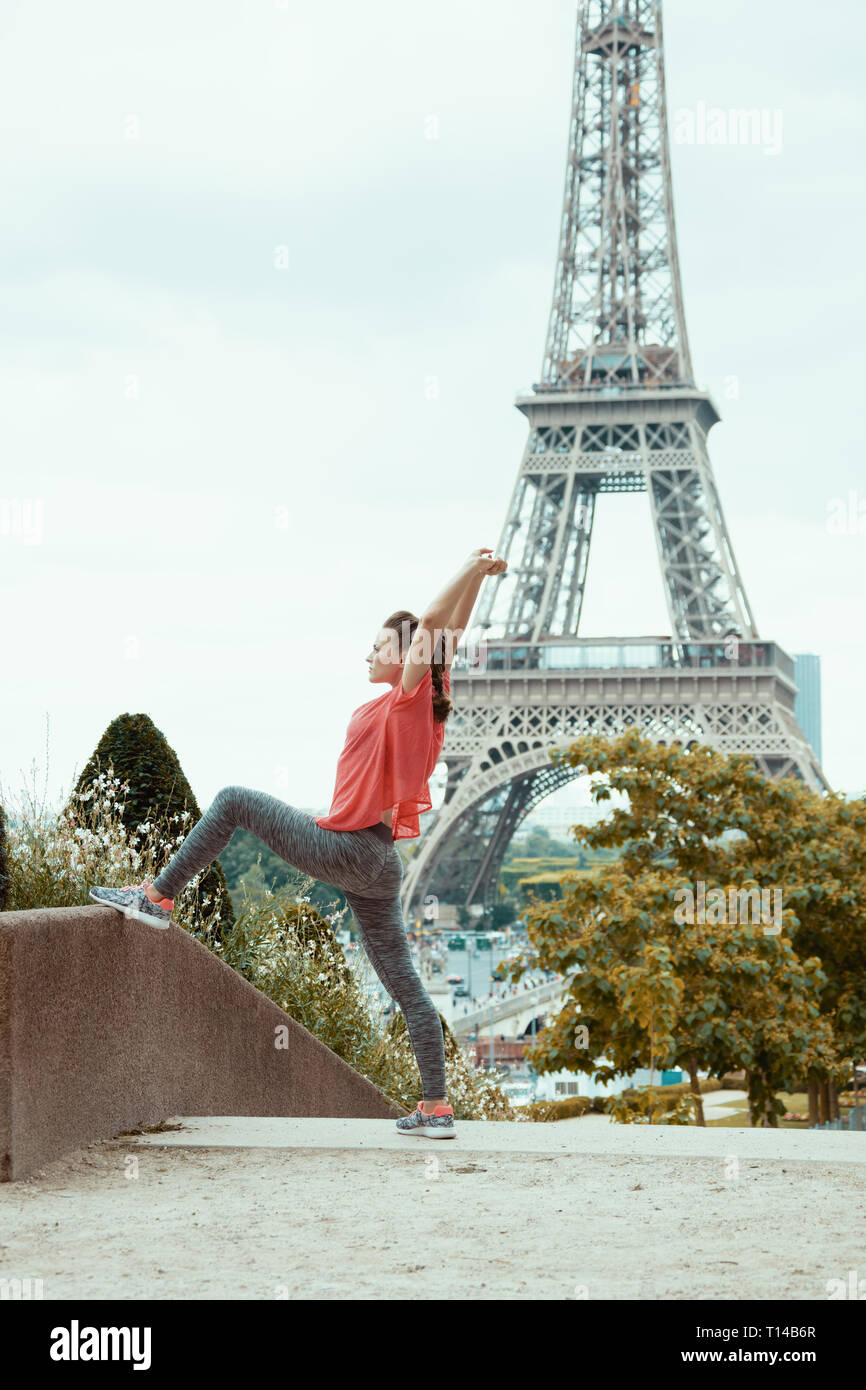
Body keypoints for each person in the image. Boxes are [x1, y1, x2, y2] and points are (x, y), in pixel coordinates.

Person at [89, 547, 507, 1140]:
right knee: (408, 989)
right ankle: (436, 1109)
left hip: (350, 848)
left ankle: (157, 899)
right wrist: (481, 580)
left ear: (407, 655)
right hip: (380, 860)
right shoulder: (426, 702)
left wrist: (468, 566)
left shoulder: (408, 701)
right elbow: (449, 632)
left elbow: (436, 627)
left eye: (379, 646)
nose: (368, 653)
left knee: (233, 798)